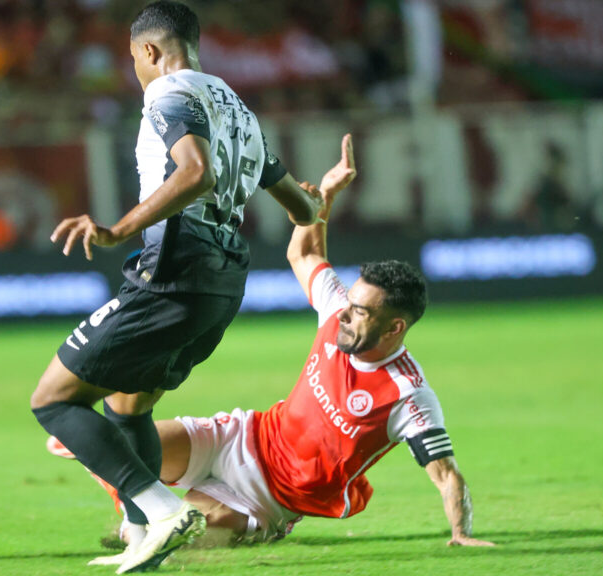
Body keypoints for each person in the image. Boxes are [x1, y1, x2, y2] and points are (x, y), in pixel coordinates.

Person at [50, 135, 496, 551]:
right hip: (236, 438)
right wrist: (323, 198)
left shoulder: (407, 395)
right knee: (111, 448)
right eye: (351, 301)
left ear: (395, 327)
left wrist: (462, 533)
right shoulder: (337, 312)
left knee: (169, 536)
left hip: (267, 500)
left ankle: (139, 527)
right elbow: (305, 254)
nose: (345, 311)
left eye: (361, 312)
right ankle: (135, 514)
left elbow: (446, 475)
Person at [29, 2, 325, 573]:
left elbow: (196, 173)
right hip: (222, 283)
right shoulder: (238, 109)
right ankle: (142, 532)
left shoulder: (167, 95)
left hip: (175, 270)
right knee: (128, 402)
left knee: (54, 399)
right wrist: (318, 199)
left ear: (148, 51)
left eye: (132, 59)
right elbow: (300, 206)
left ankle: (162, 510)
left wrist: (118, 229)